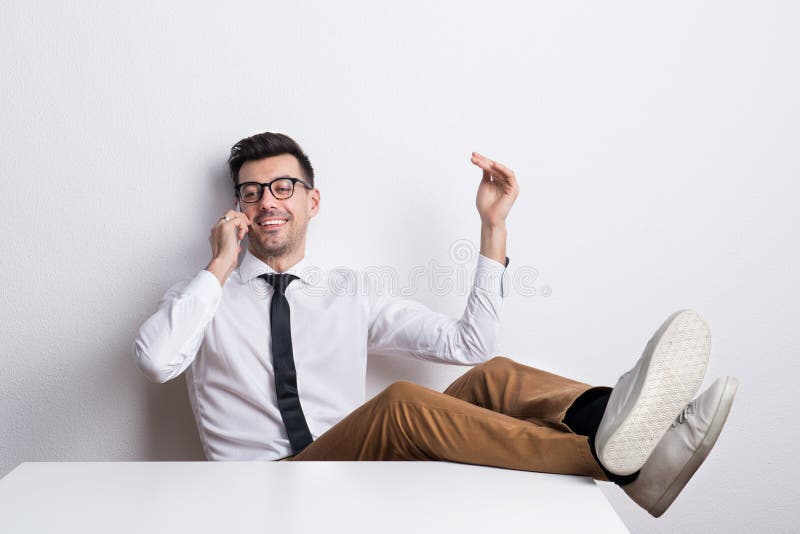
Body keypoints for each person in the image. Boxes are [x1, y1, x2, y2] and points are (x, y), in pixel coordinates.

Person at [133, 131, 738, 518]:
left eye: (284, 187)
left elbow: (471, 343)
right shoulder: (202, 298)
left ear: (311, 202)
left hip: (352, 481)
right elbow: (157, 361)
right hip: (260, 497)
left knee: (494, 376)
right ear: (237, 209)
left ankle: (614, 421)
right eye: (252, 192)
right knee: (399, 404)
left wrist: (492, 230)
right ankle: (620, 461)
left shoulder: (351, 292)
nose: (269, 201)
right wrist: (218, 265)